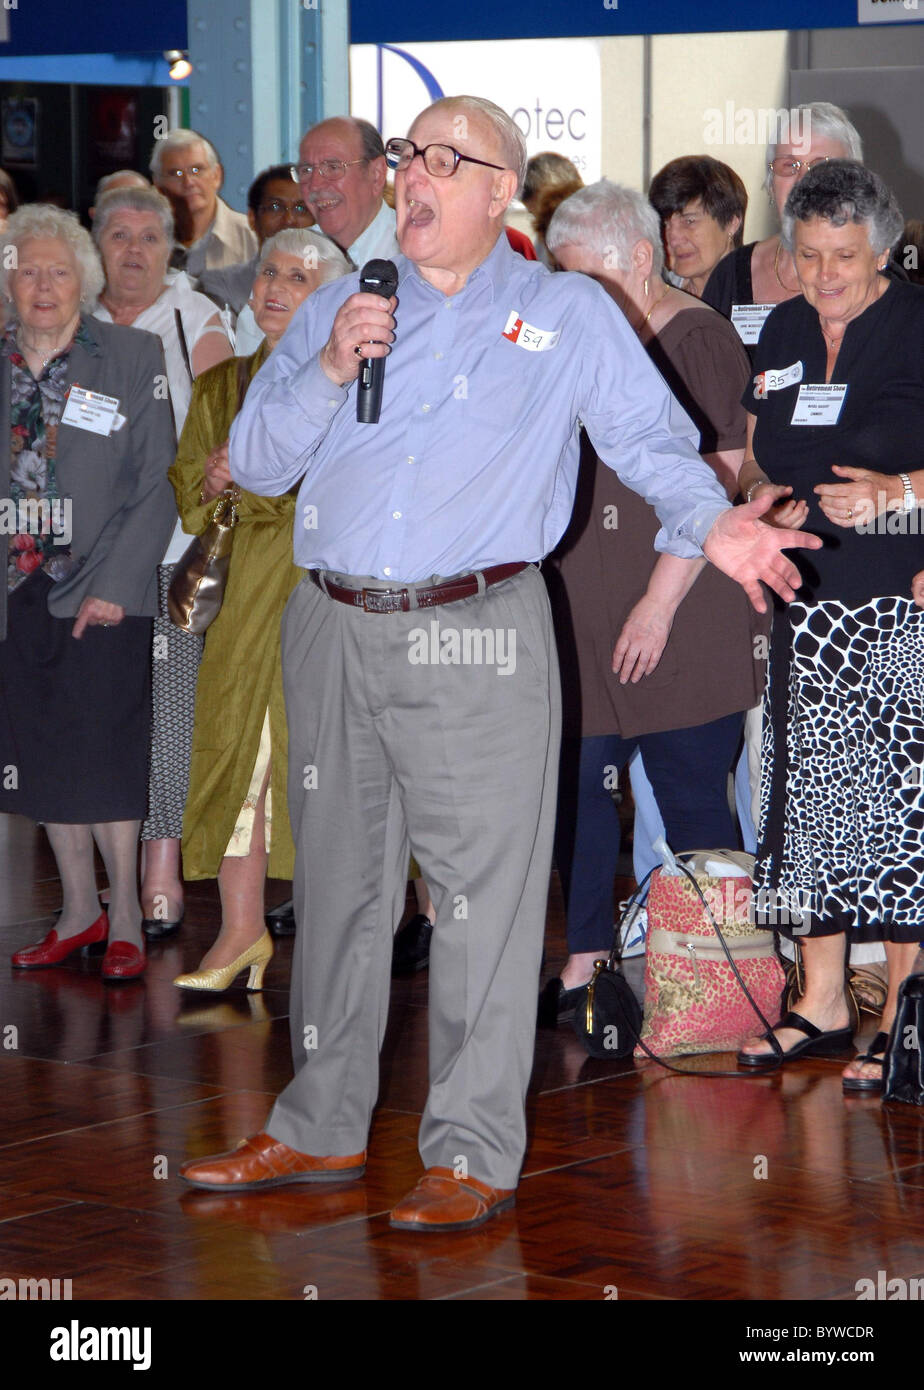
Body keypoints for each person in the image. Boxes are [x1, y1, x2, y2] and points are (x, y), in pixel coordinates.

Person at [178, 95, 819, 1229]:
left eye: (445, 159)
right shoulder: (342, 301)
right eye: (407, 155)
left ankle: (470, 1150)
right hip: (328, 626)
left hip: (477, 633)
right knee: (337, 894)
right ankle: (317, 1124)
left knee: (482, 904)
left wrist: (713, 522)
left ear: (496, 192)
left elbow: (655, 448)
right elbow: (262, 464)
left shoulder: (566, 312)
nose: (415, 176)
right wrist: (327, 366)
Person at [539, 180, 764, 1018]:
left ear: (640, 259)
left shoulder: (698, 339)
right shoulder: (566, 339)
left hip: (682, 604)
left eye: (585, 277)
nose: (572, 298)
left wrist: (657, 605)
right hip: (584, 605)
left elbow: (716, 486)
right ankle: (588, 962)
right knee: (583, 794)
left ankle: (725, 983)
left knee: (693, 798)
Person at [734, 161, 924, 1091]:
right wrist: (756, 506)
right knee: (807, 799)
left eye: (843, 255)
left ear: (881, 248)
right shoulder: (781, 327)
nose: (824, 275)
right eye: (807, 256)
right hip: (804, 596)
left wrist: (903, 493)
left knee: (895, 807)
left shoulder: (921, 321)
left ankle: (904, 1008)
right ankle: (820, 1000)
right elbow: (758, 454)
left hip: (901, 592)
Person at [168, 228, 350, 992]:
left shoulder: (353, 384)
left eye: (298, 278)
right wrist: (214, 481)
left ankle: (346, 949)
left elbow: (345, 497)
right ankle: (240, 933)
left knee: (331, 772)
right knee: (241, 762)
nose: (275, 287)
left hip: (319, 599)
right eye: (268, 273)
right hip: (242, 611)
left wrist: (257, 478)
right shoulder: (223, 387)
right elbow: (185, 495)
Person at [1, 206, 176, 980]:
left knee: (104, 757)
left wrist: (118, 584)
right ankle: (77, 911)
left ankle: (129, 916)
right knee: (42, 758)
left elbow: (160, 482)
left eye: (59, 270)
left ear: (86, 279)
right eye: (27, 269)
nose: (43, 285)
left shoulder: (134, 355)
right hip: (15, 590)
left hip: (103, 586)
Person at [92, 185, 234, 941]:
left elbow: (225, 431)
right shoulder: (72, 317)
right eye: (119, 235)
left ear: (171, 245)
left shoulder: (193, 317)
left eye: (150, 236)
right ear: (96, 241)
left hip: (173, 550)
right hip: (85, 557)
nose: (135, 250)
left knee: (170, 713)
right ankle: (105, 884)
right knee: (100, 713)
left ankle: (160, 869)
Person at [702, 102, 863, 354]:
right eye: (789, 166)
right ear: (770, 184)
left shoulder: (881, 279)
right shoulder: (730, 276)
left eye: (820, 165)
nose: (803, 181)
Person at [198, 164, 314, 346]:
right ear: (252, 218)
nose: (289, 219)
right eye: (275, 207)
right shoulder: (220, 287)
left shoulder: (333, 282)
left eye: (301, 209)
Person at [150, 129, 257, 276]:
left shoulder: (253, 239)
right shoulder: (145, 240)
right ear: (158, 185)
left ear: (216, 176)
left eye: (196, 170)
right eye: (176, 173)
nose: (188, 182)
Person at [295, 116, 398, 266]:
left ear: (376, 174)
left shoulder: (417, 255)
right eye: (307, 170)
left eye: (333, 167)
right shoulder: (290, 255)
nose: (315, 184)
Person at [648, 155, 747, 299]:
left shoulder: (760, 294)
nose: (673, 238)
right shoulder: (654, 296)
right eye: (664, 224)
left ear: (732, 223)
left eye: (689, 221)